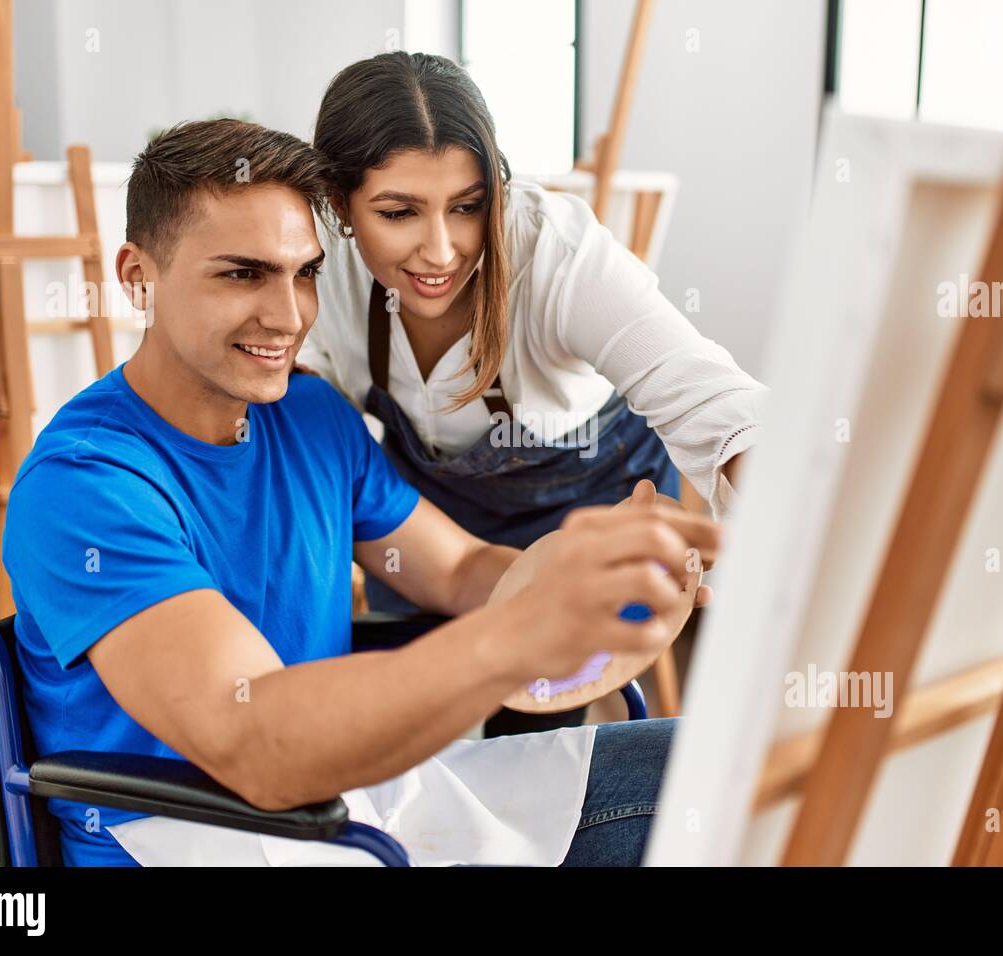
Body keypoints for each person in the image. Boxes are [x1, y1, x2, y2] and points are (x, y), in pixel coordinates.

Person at [1, 119, 720, 866]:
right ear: (137, 276)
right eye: (243, 274)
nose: (287, 317)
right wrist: (509, 641)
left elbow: (457, 569)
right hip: (192, 836)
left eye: (304, 273)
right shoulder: (85, 487)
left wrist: (584, 571)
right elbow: (248, 741)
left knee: (715, 770)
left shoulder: (309, 416)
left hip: (354, 799)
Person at [299, 51, 765, 734]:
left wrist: (777, 535)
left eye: (467, 207)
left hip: (584, 503)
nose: (440, 250)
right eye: (399, 212)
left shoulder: (554, 250)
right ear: (341, 206)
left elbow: (710, 399)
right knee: (427, 731)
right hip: (434, 531)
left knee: (542, 745)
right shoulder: (320, 271)